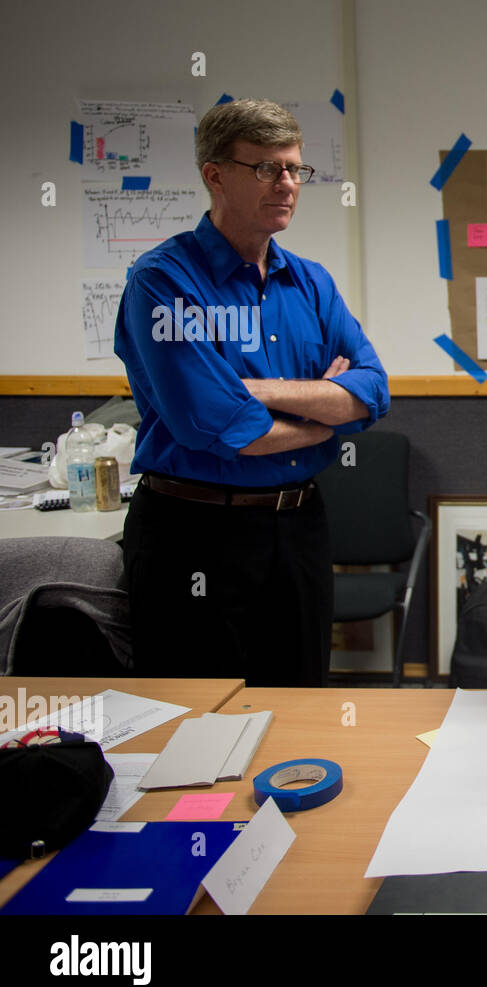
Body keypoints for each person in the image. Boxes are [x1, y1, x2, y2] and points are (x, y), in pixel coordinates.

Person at [114, 99, 389, 686]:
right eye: (266, 168)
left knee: (300, 709)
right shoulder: (163, 281)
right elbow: (218, 424)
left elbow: (371, 391)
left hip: (298, 528)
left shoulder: (311, 281)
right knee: (195, 723)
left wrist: (255, 389)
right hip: (194, 532)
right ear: (215, 174)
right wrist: (321, 411)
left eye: (294, 169)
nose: (286, 184)